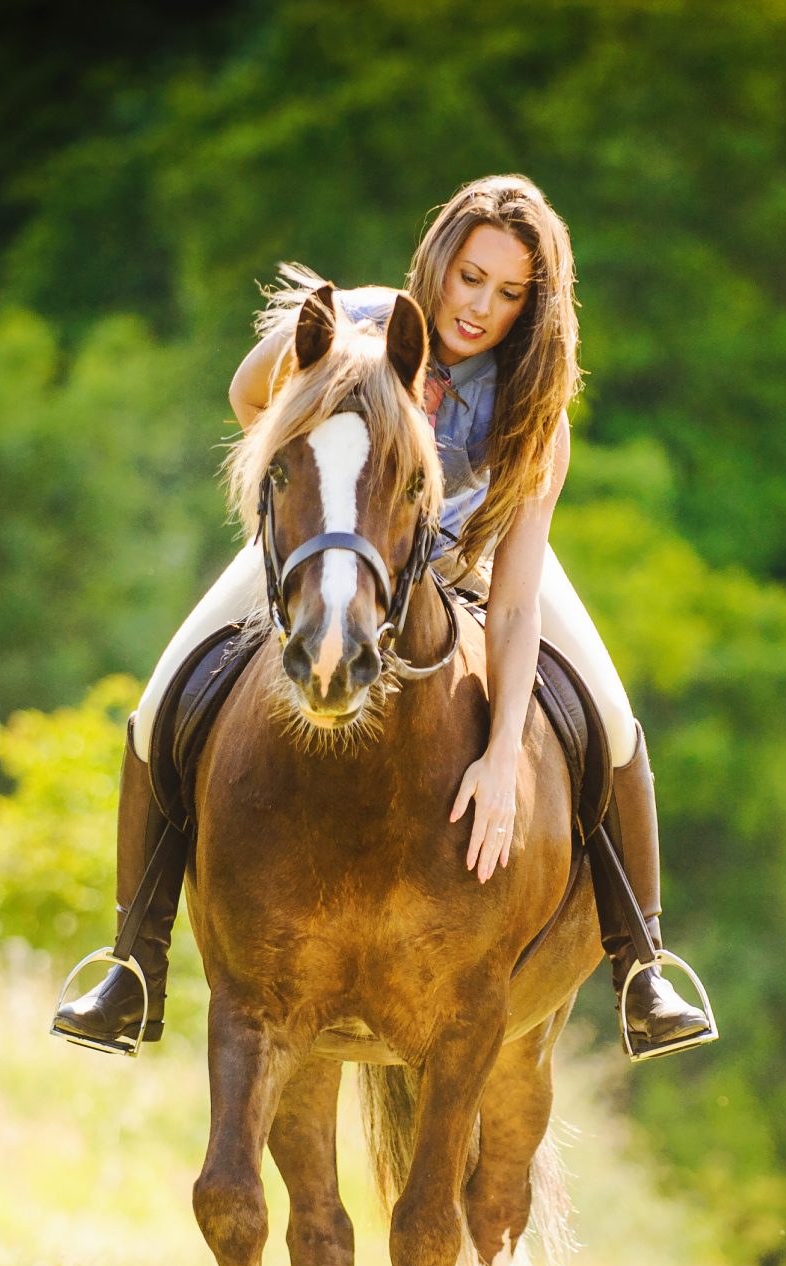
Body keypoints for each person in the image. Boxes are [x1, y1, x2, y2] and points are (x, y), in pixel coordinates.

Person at [53, 174, 715, 1061]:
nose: (480, 307)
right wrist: (314, 400)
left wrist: (496, 751)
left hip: (467, 566)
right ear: (441, 260)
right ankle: (133, 965)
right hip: (333, 543)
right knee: (161, 698)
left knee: (611, 716)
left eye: (509, 293)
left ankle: (644, 965)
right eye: (470, 277)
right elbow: (251, 397)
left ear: (534, 303)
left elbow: (516, 599)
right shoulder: (367, 316)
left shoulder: (532, 401)